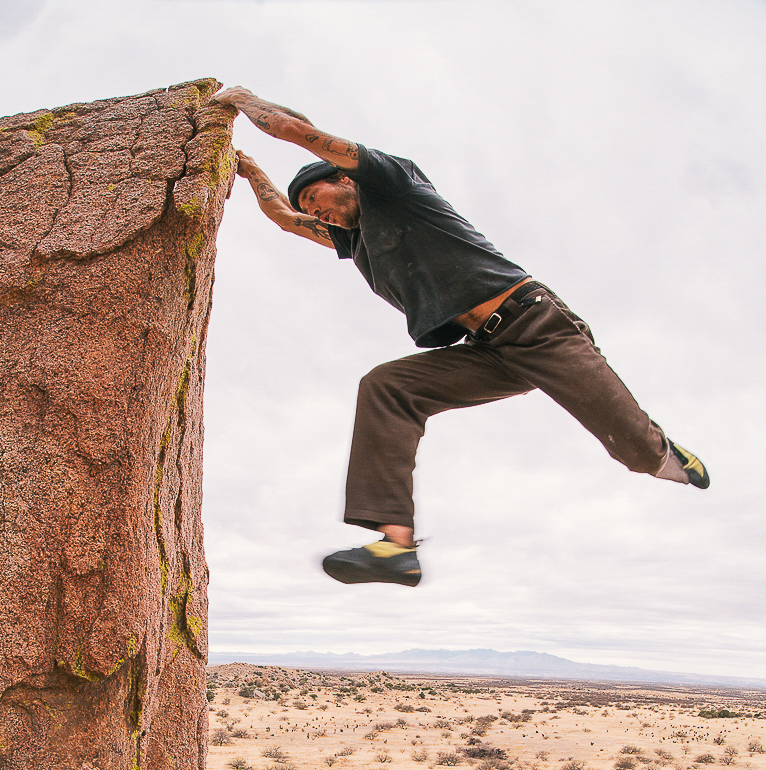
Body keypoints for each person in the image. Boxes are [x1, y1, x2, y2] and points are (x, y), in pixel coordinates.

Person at [213, 86, 710, 588]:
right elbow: (282, 217)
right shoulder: (353, 237)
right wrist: (247, 168)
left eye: (315, 198)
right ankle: (396, 548)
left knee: (636, 451)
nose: (315, 212)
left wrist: (242, 100)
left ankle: (667, 452)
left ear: (342, 178)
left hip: (536, 325)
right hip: (485, 352)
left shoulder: (391, 185)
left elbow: (302, 132)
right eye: (310, 208)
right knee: (387, 387)